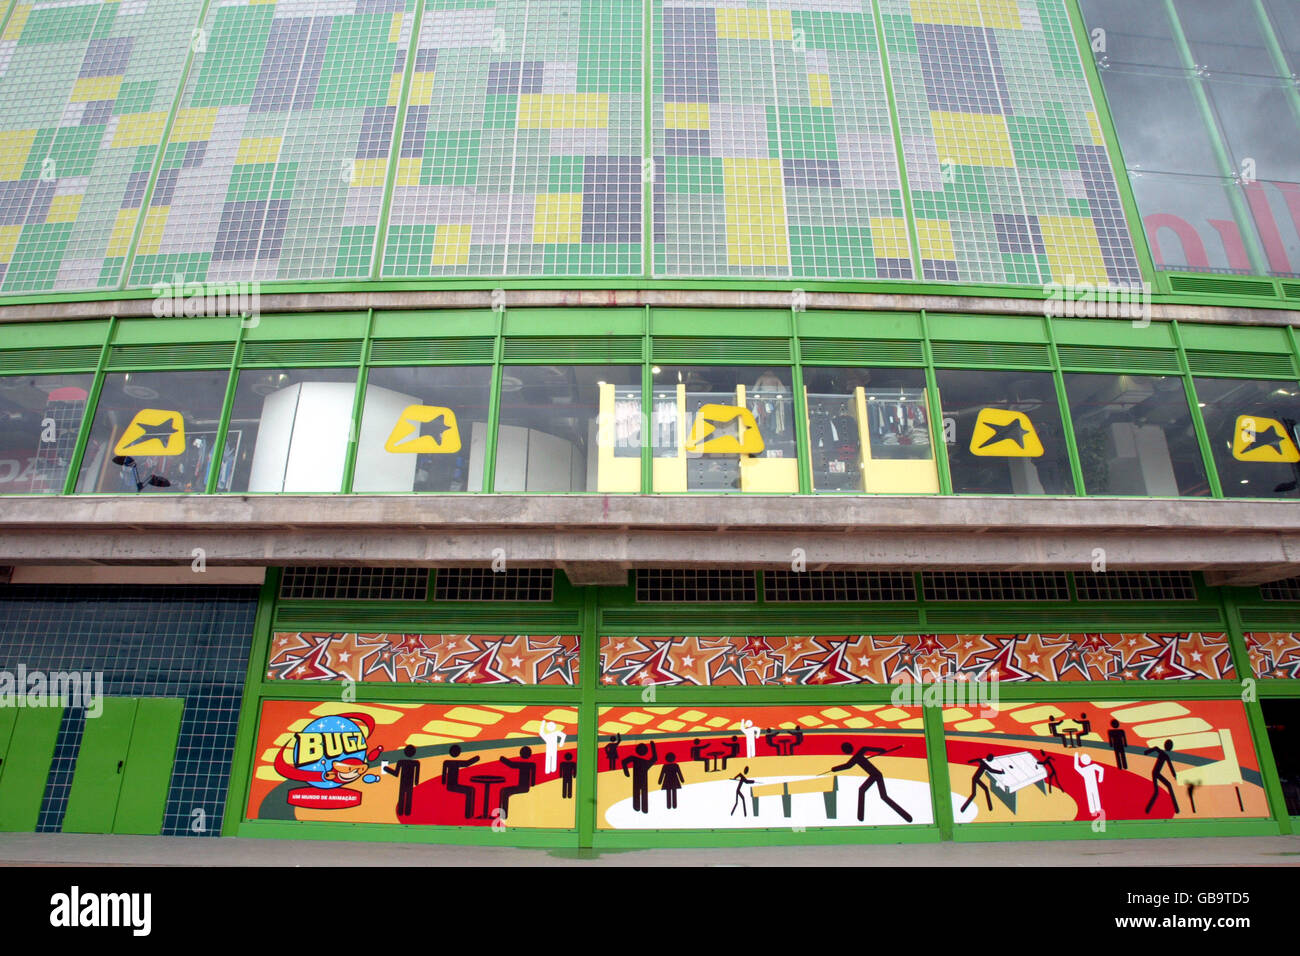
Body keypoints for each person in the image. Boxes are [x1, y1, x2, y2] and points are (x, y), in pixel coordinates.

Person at [830, 742, 912, 823]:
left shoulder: (856, 756)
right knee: (874, 794)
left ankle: (860, 817)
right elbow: (848, 765)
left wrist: (834, 769)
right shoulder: (857, 755)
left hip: (876, 775)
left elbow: (848, 765)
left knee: (879, 795)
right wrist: (881, 750)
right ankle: (860, 817)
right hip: (875, 775)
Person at [441, 744, 480, 819]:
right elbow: (466, 763)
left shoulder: (447, 762)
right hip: (451, 786)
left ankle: (470, 814)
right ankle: (468, 815)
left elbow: (466, 763)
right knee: (469, 790)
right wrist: (477, 758)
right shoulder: (449, 762)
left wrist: (476, 758)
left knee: (471, 789)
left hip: (453, 785)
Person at [498, 746, 537, 819]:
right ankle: (502, 813)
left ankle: (504, 815)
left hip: (523, 788)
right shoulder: (531, 764)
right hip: (523, 787)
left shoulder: (526, 764)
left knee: (505, 792)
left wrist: (501, 758)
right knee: (503, 791)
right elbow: (533, 781)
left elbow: (511, 764)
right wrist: (532, 784)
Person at [383, 744, 421, 819]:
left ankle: (401, 812)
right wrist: (416, 782)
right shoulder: (416, 763)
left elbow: (396, 773)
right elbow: (417, 775)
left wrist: (386, 768)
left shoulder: (401, 762)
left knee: (402, 797)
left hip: (403, 783)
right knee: (408, 797)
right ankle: (407, 812)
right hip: (410, 783)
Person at [1144, 739, 1180, 814]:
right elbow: (1171, 767)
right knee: (1157, 792)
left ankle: (1176, 809)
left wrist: (1147, 752)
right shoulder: (1165, 755)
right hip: (1155, 773)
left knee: (1166, 787)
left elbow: (1156, 748)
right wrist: (1146, 752)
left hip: (1156, 773)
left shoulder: (1164, 754)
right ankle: (1147, 810)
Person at [622, 741, 658, 814]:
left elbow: (624, 762)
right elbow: (654, 758)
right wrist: (653, 747)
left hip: (637, 779)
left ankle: (638, 807)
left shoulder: (635, 759)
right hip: (643, 780)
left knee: (638, 792)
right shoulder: (645, 762)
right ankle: (642, 808)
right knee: (642, 793)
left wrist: (626, 772)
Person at [1074, 752, 1105, 816]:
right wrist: (1076, 757)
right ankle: (1094, 811)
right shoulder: (1086, 769)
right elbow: (1101, 769)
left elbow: (1101, 769)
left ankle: (1096, 809)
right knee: (1091, 796)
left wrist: (1100, 778)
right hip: (1089, 785)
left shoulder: (1089, 768)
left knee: (1093, 796)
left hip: (1092, 785)